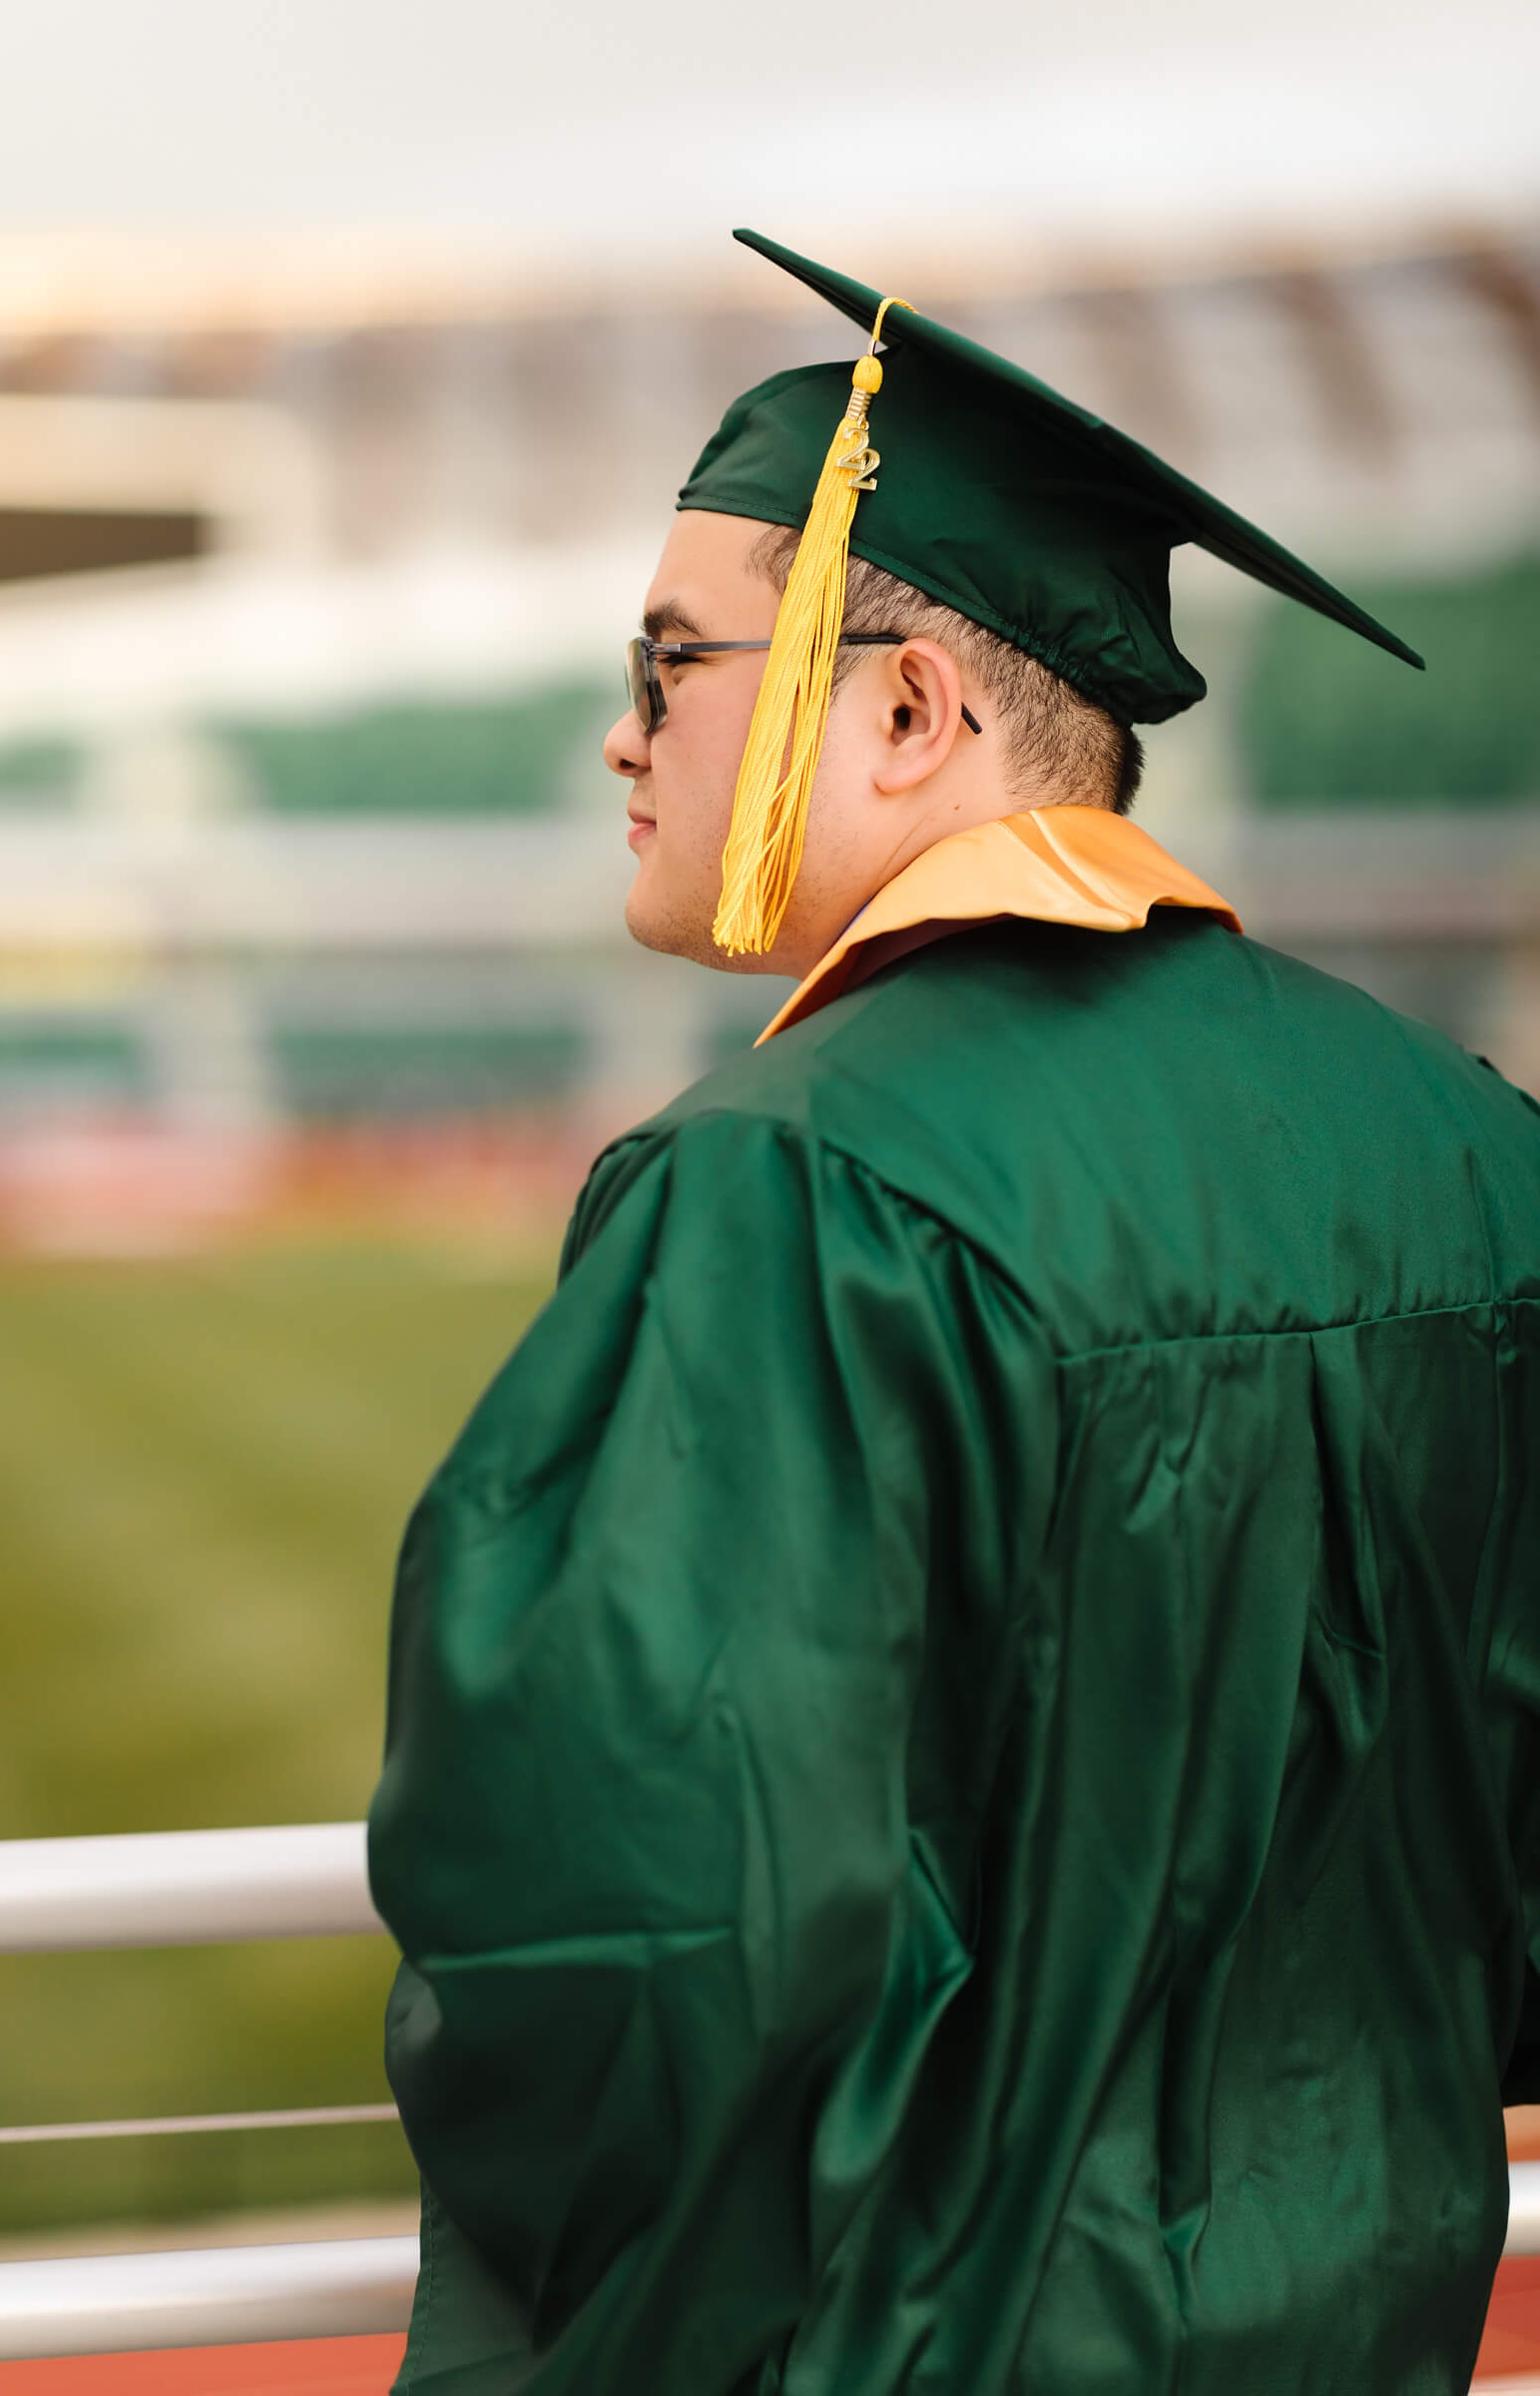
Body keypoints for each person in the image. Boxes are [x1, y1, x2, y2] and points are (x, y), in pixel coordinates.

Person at [366, 231, 1540, 2394]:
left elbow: (630, 1940)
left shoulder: (792, 1189)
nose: (619, 743)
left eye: (664, 668)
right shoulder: (1473, 1157)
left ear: (899, 706)